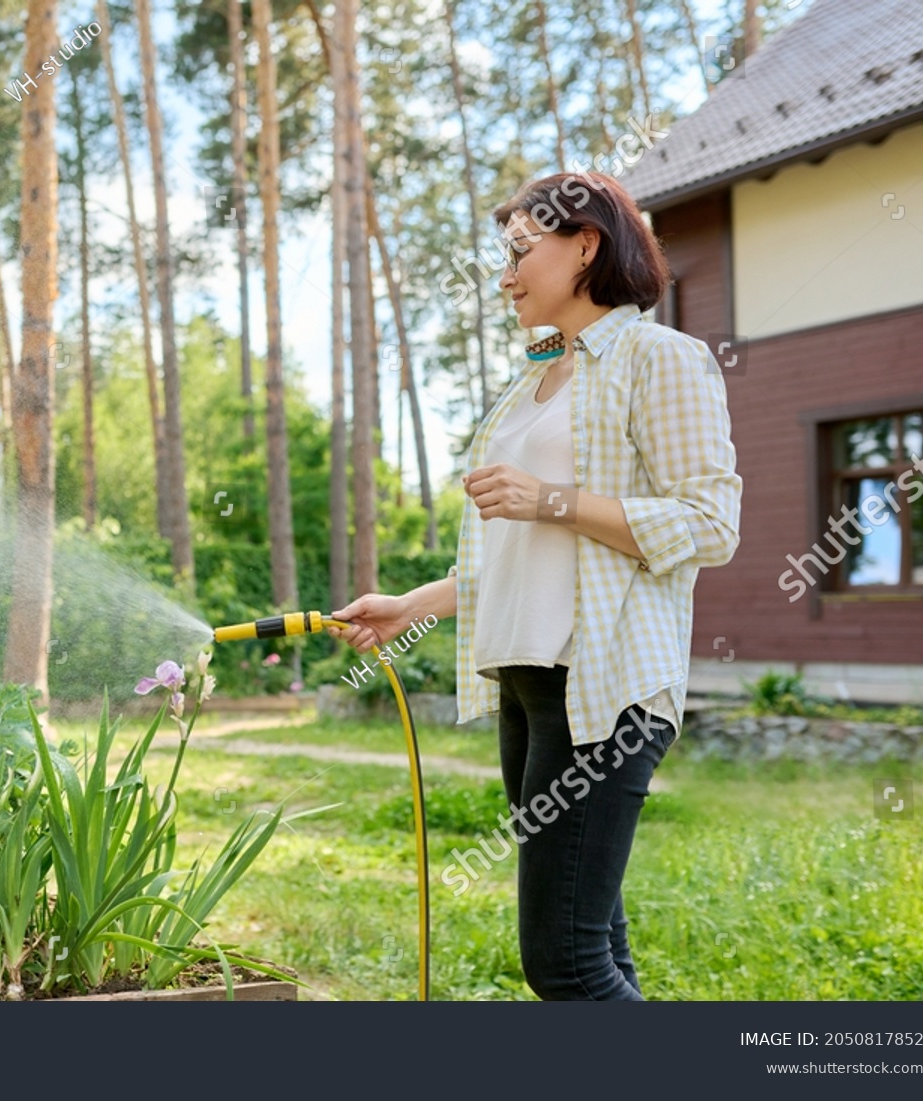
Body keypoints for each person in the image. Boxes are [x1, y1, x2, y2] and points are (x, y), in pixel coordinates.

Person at [329, 172, 742, 1001]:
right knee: (597, 946)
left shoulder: (660, 357)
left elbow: (710, 523)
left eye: (521, 251)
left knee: (566, 963)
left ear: (585, 244)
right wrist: (411, 606)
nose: (506, 275)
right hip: (527, 686)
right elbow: (514, 553)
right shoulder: (538, 380)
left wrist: (548, 499)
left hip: (601, 689)